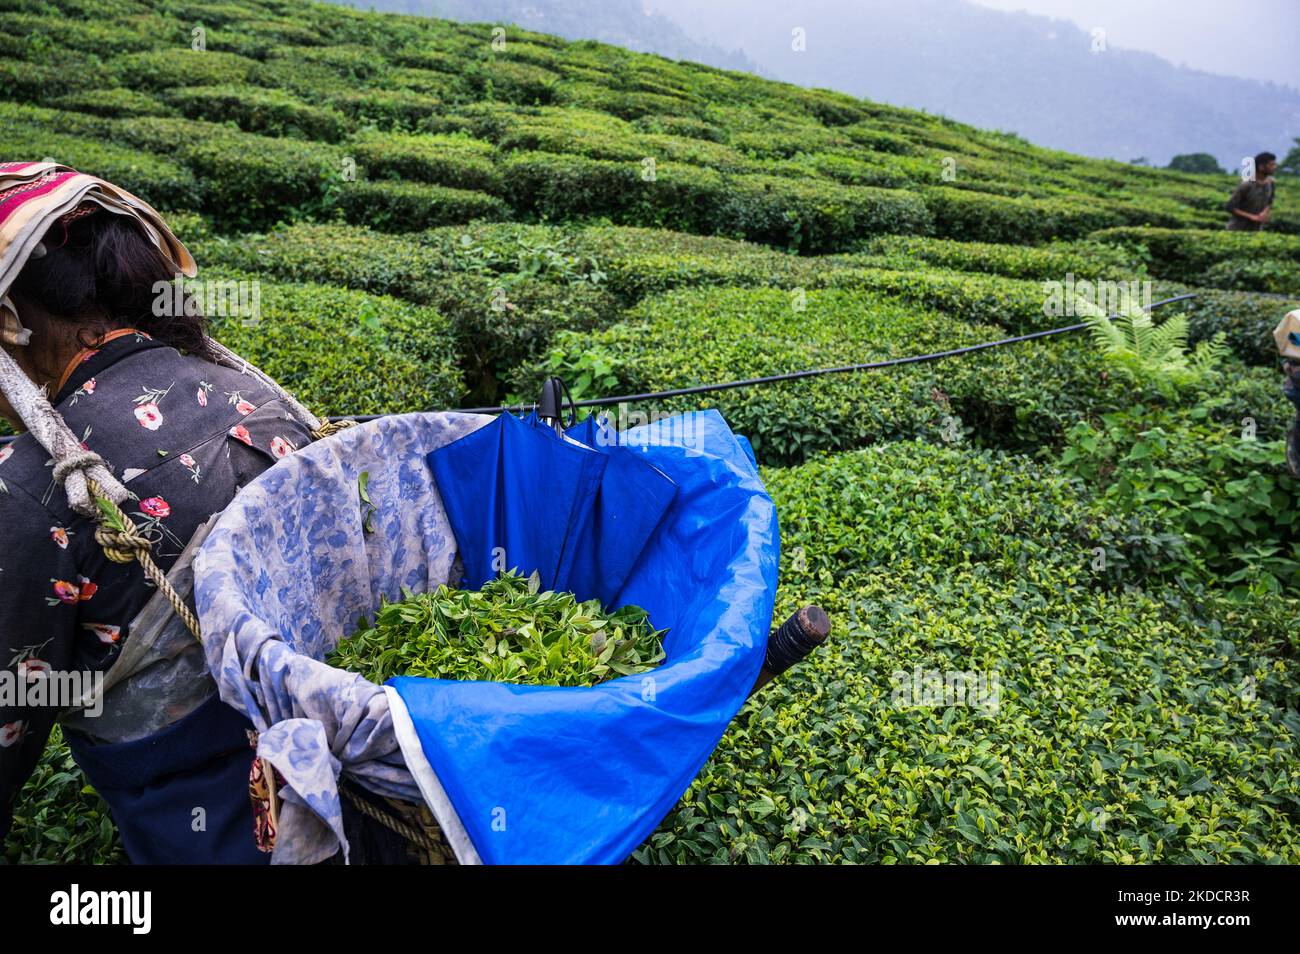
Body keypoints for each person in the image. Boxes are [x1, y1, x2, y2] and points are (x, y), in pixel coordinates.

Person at [0, 162, 315, 862]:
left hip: (200, 828)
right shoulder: (257, 398)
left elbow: (10, 717)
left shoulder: (34, 486)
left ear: (13, 322)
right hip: (335, 788)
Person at [1226, 151, 1277, 231]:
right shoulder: (1246, 185)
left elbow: (1270, 201)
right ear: (1261, 167)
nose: (1274, 167)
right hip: (1237, 229)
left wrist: (1264, 212)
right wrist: (1251, 216)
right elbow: (1230, 207)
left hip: (1257, 229)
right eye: (1271, 165)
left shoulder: (1271, 183)